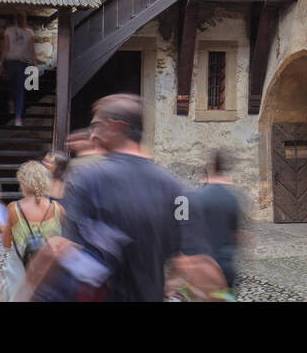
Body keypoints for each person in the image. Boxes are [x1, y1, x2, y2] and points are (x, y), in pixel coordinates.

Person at [51, 93, 221, 302]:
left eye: (97, 126)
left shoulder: (87, 179)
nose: (93, 136)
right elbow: (198, 264)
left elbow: (70, 253)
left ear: (117, 126)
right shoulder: (176, 190)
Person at [0, 160, 64, 302]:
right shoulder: (58, 209)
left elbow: (6, 243)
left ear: (23, 181)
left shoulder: (13, 209)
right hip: (48, 269)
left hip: (19, 270)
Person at [193, 150, 243, 294]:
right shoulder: (233, 198)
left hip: (204, 267)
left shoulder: (197, 197)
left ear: (211, 167)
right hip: (226, 267)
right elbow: (236, 236)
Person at [0, 11, 37, 127]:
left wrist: (0, 63)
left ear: (14, 20)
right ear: (25, 20)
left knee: (11, 84)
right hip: (22, 63)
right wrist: (34, 63)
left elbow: (5, 49)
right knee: (20, 89)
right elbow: (32, 50)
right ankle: (18, 118)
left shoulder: (8, 31)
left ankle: (11, 104)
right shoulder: (29, 32)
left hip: (9, 62)